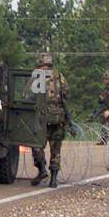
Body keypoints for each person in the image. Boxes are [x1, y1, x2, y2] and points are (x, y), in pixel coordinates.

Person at [30, 52, 69, 189]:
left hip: (42, 118)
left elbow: (28, 95)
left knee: (36, 145)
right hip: (58, 118)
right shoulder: (59, 76)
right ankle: (53, 180)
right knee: (56, 150)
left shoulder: (38, 76)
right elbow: (66, 94)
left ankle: (42, 170)